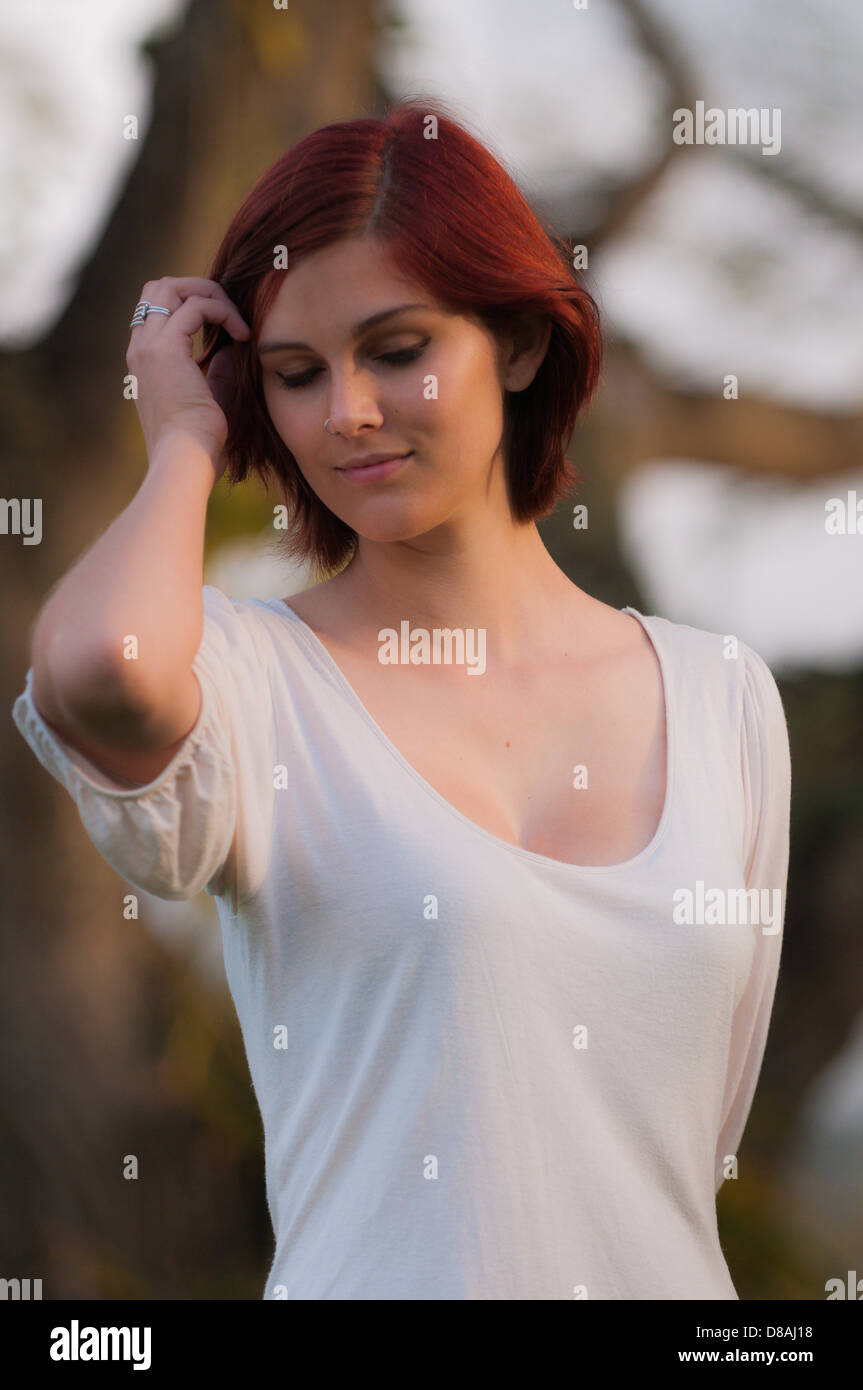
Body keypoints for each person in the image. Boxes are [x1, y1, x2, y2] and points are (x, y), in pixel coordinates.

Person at [12, 97, 791, 1300]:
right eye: (293, 373)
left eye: (396, 349)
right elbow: (95, 667)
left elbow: (699, 1133)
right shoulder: (252, 677)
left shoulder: (722, 698)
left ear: (520, 345)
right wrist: (177, 442)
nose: (347, 415)